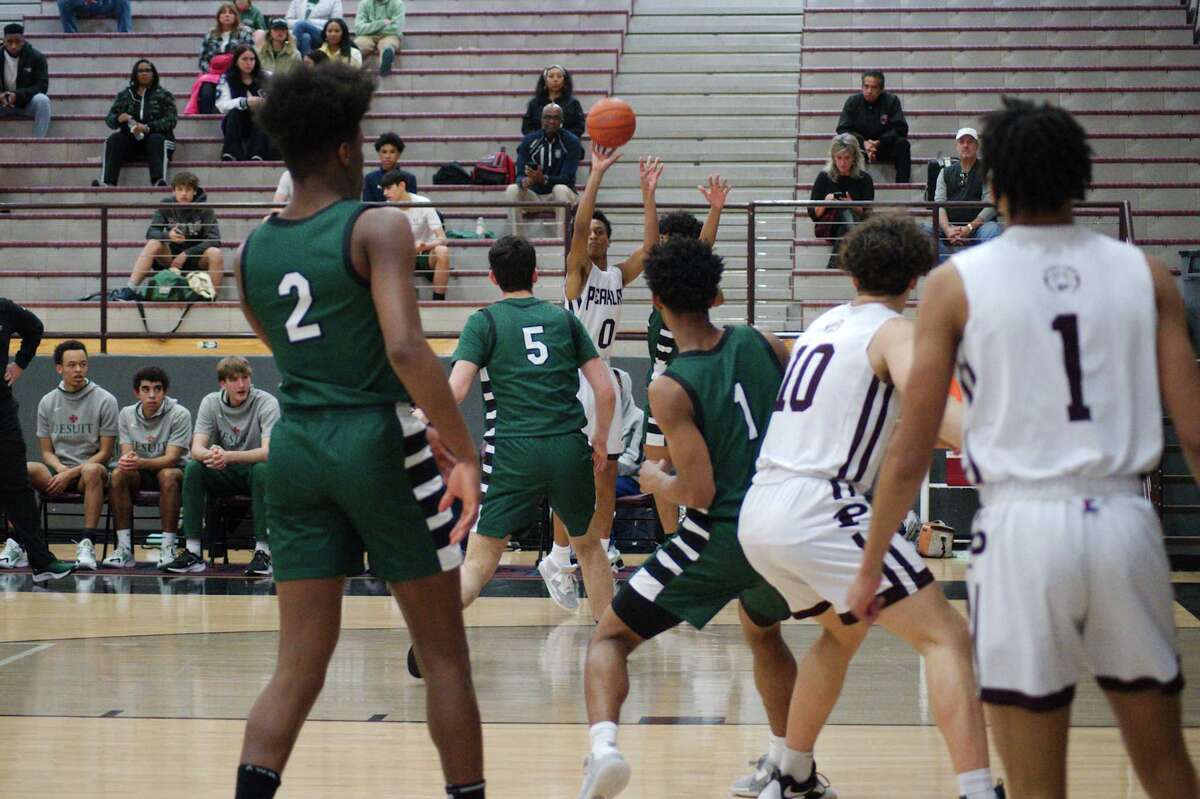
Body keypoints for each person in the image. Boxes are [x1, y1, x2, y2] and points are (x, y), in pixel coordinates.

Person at [848, 97, 1200, 799]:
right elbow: (1193, 432)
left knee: (1037, 783)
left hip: (1019, 528)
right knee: (1165, 766)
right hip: (1125, 521)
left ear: (996, 185)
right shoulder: (1150, 276)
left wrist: (868, 567)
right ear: (1081, 179)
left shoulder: (954, 283)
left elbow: (911, 445)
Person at [232, 63, 483, 799]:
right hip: (376, 438)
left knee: (297, 663)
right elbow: (405, 348)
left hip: (298, 444)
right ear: (346, 148)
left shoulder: (249, 252)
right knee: (444, 656)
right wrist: (460, 446)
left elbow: (282, 347)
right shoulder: (378, 224)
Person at [738, 214, 1002, 799]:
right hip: (818, 509)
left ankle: (792, 773)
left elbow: (889, 422)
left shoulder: (820, 327)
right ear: (915, 277)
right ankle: (979, 790)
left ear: (851, 269)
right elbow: (928, 404)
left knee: (843, 633)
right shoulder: (894, 333)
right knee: (947, 639)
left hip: (762, 512)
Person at [577, 237, 797, 799]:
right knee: (763, 631)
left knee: (609, 638)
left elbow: (697, 492)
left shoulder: (670, 386)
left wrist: (654, 480)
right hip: (779, 533)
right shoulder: (764, 342)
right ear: (717, 293)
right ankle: (792, 770)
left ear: (657, 304)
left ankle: (602, 750)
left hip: (718, 537)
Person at [425, 234, 614, 638]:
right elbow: (606, 389)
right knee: (589, 548)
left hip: (511, 448)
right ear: (536, 274)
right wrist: (599, 439)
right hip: (568, 444)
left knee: (480, 560)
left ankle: (435, 628)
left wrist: (420, 413)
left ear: (492, 278)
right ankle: (612, 642)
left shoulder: (484, 321)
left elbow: (456, 391)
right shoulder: (564, 319)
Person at [542, 145, 660, 614]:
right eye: (587, 232)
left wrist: (648, 194)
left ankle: (604, 547)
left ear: (608, 240)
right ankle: (557, 556)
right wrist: (596, 175)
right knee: (573, 476)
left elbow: (651, 251)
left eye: (599, 232)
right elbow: (576, 226)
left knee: (607, 473)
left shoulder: (614, 275)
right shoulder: (577, 274)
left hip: (605, 382)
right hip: (574, 381)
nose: (591, 236)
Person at [643, 175, 730, 539]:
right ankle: (669, 540)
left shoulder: (689, 290)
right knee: (656, 467)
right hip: (662, 382)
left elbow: (703, 251)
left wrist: (715, 211)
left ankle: (696, 533)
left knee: (693, 467)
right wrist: (649, 198)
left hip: (691, 381)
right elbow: (651, 247)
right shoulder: (660, 287)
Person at [165, 356, 280, 576]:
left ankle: (263, 552)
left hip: (254, 472)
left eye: (245, 378)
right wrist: (213, 454)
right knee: (194, 468)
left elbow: (268, 452)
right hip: (224, 469)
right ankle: (193, 552)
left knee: (263, 469)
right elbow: (196, 448)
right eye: (235, 379)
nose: (242, 384)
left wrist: (228, 456)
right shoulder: (211, 401)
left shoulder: (266, 402)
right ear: (222, 384)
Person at [25, 340, 118, 571]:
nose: (78, 370)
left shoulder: (105, 400)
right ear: (59, 368)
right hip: (59, 473)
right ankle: (20, 541)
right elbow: (47, 451)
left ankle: (87, 543)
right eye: (72, 365)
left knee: (92, 469)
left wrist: (71, 474)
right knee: (24, 469)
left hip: (90, 475)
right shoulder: (47, 401)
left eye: (83, 364)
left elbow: (105, 453)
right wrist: (61, 470)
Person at [0, 299, 75, 581]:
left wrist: (19, 364)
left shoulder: (4, 309)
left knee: (17, 484)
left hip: (2, 409)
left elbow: (34, 329)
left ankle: (41, 561)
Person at [104, 366, 192, 570]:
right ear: (137, 392)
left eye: (157, 389)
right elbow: (127, 455)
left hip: (173, 471)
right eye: (146, 389)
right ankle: (124, 549)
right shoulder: (126, 414)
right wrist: (130, 461)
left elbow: (171, 458)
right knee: (118, 474)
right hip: (140, 471)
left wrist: (140, 462)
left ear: (165, 391)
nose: (152, 395)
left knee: (167, 475)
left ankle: (168, 547)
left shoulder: (180, 414)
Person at [111, 171, 223, 302]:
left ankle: (211, 297)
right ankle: (130, 290)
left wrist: (187, 254)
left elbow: (215, 239)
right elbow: (151, 232)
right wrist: (168, 236)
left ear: (194, 191)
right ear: (173, 191)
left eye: (188, 189)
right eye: (180, 189)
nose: (184, 194)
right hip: (171, 258)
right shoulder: (166, 204)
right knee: (154, 243)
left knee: (215, 253)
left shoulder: (205, 209)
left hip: (196, 258)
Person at [921, 127, 1002, 264]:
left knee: (993, 230)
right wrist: (947, 229)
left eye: (970, 142)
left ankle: (977, 267)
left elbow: (990, 205)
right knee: (921, 230)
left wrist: (969, 228)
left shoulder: (987, 171)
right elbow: (939, 204)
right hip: (950, 226)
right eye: (962, 142)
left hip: (979, 227)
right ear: (957, 146)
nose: (965, 145)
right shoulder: (945, 172)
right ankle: (951, 264)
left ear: (977, 146)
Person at [94, 58, 176, 188]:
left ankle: (158, 181)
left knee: (156, 139)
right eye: (140, 71)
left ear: (153, 74)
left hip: (157, 141)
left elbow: (171, 120)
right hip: (131, 141)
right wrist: (118, 119)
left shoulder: (164, 95)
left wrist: (148, 128)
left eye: (148, 70)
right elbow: (110, 119)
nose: (144, 73)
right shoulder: (125, 95)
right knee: (115, 139)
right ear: (135, 74)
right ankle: (108, 182)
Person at [505, 102, 582, 235]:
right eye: (547, 117)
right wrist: (524, 182)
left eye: (556, 118)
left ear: (562, 121)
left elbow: (567, 179)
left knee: (560, 189)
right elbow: (519, 174)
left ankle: (562, 243)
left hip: (559, 197)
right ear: (541, 121)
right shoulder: (529, 141)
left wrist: (543, 179)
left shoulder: (572, 142)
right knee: (512, 190)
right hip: (534, 197)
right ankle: (517, 241)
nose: (551, 121)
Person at [381, 170, 450, 300]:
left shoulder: (423, 202)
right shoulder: (387, 210)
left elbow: (443, 239)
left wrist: (425, 246)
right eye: (383, 189)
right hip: (402, 256)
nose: (385, 193)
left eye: (388, 188)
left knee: (443, 251)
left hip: (424, 254)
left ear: (401, 186)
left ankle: (438, 301)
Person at [809, 133, 874, 267]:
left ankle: (833, 268)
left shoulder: (864, 179)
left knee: (846, 219)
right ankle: (857, 247)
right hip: (829, 224)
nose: (842, 163)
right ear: (833, 158)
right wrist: (826, 202)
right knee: (843, 212)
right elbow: (813, 214)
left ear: (854, 158)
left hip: (853, 223)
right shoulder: (824, 177)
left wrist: (852, 204)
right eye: (838, 158)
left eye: (846, 158)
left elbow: (866, 213)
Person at [836, 70, 910, 183]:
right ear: (862, 86)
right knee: (842, 145)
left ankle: (902, 186)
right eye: (866, 86)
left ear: (881, 89)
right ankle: (845, 185)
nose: (869, 91)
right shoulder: (853, 102)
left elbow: (901, 128)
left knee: (903, 144)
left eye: (874, 87)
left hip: (884, 147)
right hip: (859, 148)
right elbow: (842, 129)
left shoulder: (892, 101)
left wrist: (879, 142)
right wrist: (863, 143)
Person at [216, 45, 276, 161]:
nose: (249, 63)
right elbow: (221, 105)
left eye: (252, 59)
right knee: (234, 113)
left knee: (263, 116)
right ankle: (231, 153)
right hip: (238, 123)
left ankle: (258, 155)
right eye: (244, 59)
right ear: (236, 61)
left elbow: (279, 99)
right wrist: (244, 102)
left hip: (262, 123)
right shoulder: (226, 79)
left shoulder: (268, 76)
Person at [0, 24, 50, 139]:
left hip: (26, 102)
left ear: (23, 40)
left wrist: (17, 96)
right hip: (2, 103)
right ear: (4, 41)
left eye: (17, 42)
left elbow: (42, 86)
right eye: (9, 42)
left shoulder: (37, 57)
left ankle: (38, 142)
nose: (13, 46)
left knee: (43, 100)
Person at [520, 64, 584, 138]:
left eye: (559, 76)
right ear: (545, 81)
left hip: (566, 143)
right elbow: (526, 128)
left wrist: (563, 137)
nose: (555, 79)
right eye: (551, 76)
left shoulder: (573, 103)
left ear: (564, 81)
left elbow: (579, 127)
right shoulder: (534, 103)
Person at [611, 367, 642, 499]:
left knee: (597, 488)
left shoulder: (639, 418)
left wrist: (605, 466)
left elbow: (633, 462)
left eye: (616, 385)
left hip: (631, 479)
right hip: (602, 474)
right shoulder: (597, 419)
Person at [362, 131, 417, 202]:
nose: (387, 156)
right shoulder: (370, 179)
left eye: (392, 152)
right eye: (384, 152)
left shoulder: (409, 179)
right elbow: (368, 207)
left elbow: (410, 206)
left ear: (399, 154)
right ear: (379, 153)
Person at [199, 3, 254, 74]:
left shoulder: (244, 33)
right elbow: (203, 60)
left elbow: (250, 55)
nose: (227, 15)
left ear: (235, 17)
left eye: (231, 13)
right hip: (212, 72)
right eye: (223, 13)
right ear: (219, 17)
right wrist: (210, 71)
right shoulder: (210, 35)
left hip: (237, 72)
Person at [353, 0, 404, 76]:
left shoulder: (397, 3)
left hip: (388, 35)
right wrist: (382, 23)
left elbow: (396, 29)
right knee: (358, 45)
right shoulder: (364, 4)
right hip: (367, 36)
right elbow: (359, 29)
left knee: (388, 45)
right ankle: (351, 65)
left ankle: (385, 63)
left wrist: (370, 27)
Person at [57, 0, 132, 32]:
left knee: (124, 1)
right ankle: (71, 37)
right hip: (83, 4)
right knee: (63, 2)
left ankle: (124, 36)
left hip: (105, 4)